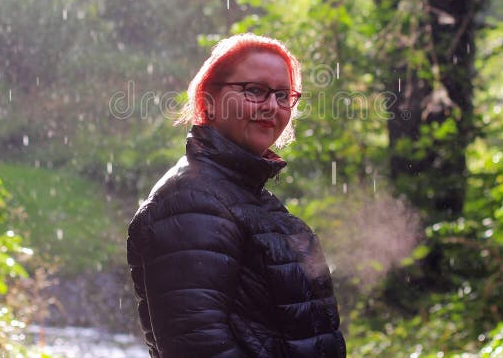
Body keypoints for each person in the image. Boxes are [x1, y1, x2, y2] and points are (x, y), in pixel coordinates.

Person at [127, 33, 346, 357]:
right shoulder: (191, 201)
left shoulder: (246, 196)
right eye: (255, 90)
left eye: (283, 95)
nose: (272, 105)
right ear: (209, 100)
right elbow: (198, 347)